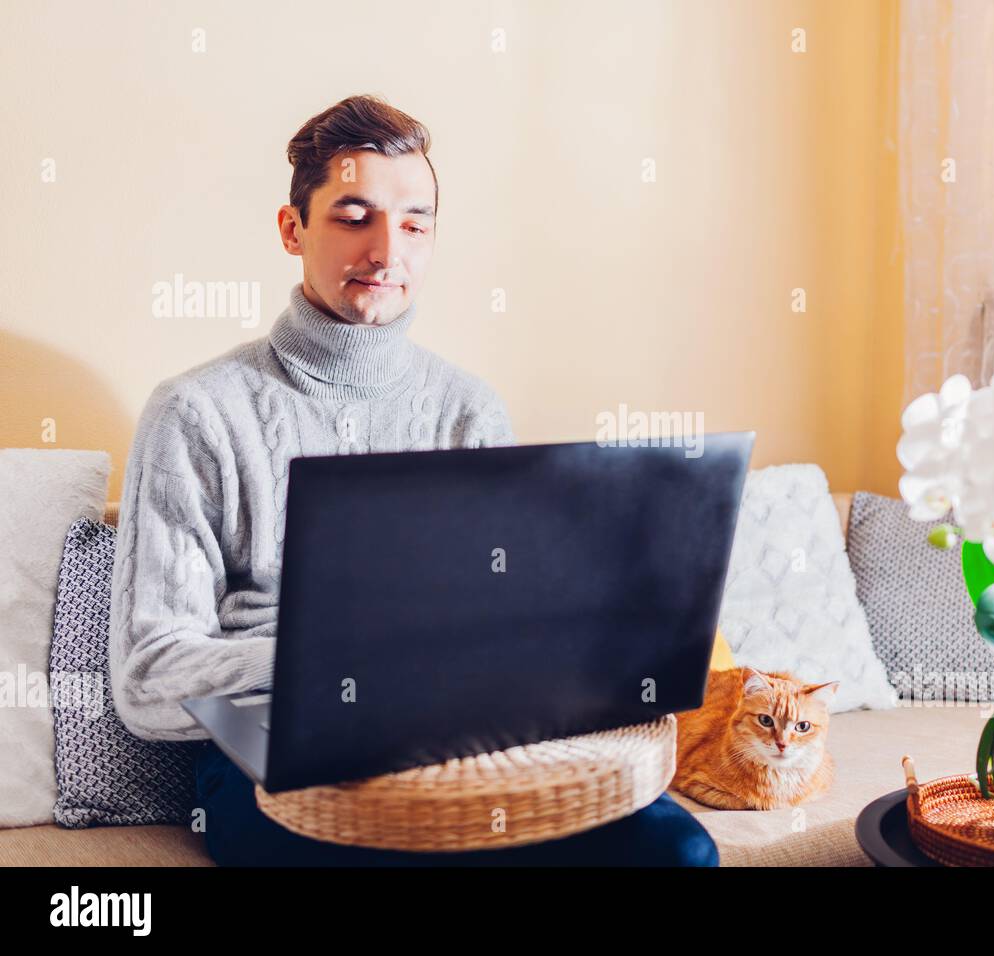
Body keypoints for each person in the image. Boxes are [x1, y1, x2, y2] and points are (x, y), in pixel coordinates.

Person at [109, 94, 719, 867]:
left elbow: (501, 626)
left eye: (415, 223)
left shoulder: (469, 410)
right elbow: (149, 677)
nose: (386, 250)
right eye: (353, 215)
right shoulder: (195, 413)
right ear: (293, 230)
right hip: (281, 763)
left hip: (458, 749)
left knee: (675, 852)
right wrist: (338, 667)